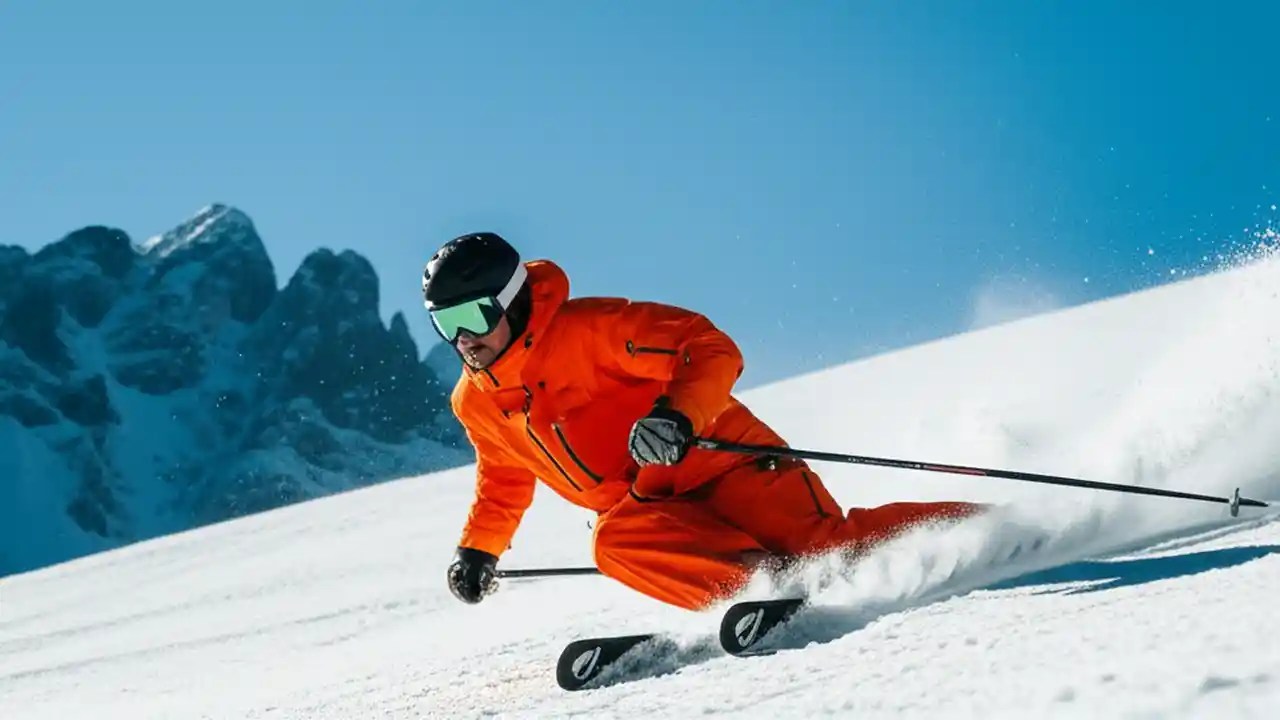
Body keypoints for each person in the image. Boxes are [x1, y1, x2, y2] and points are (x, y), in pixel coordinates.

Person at [426, 232, 979, 611]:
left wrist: (676, 415)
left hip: (721, 459)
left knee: (825, 548)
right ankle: (767, 593)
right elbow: (504, 478)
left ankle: (989, 528)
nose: (463, 338)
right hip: (649, 504)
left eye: (474, 315)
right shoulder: (474, 402)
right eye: (445, 322)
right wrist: (479, 550)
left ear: (512, 301)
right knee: (613, 543)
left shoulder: (590, 329)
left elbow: (706, 345)